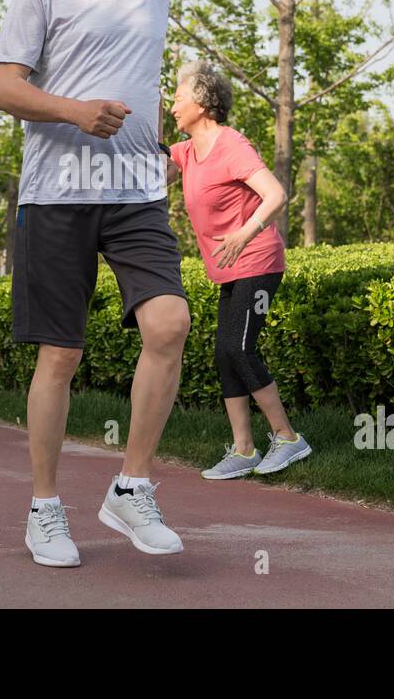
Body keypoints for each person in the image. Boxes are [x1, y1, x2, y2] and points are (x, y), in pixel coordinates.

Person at [0, 0, 192, 568]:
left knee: (170, 321)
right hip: (56, 192)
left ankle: (131, 486)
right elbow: (6, 90)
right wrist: (76, 112)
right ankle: (45, 507)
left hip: (137, 188)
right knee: (61, 353)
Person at [165, 61, 311, 479]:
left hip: (258, 261)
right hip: (229, 269)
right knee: (223, 355)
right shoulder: (188, 150)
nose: (173, 106)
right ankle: (244, 450)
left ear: (203, 102)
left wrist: (244, 233)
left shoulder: (231, 145)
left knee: (239, 348)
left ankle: (287, 437)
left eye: (178, 97)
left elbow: (275, 194)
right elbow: (154, 164)